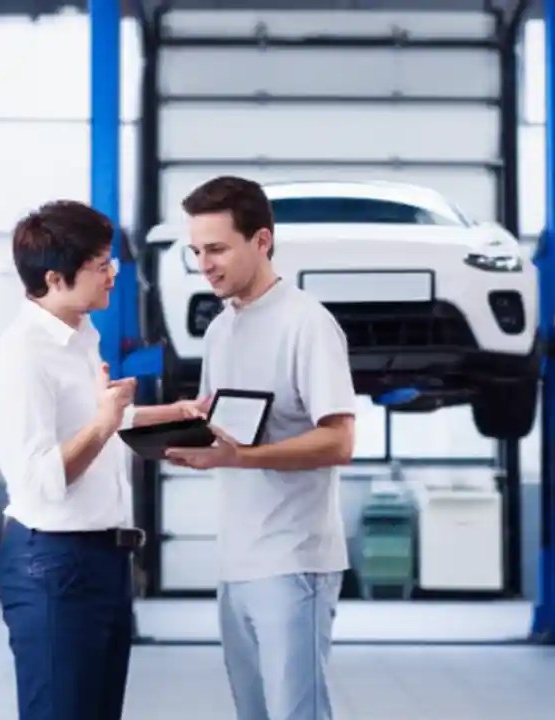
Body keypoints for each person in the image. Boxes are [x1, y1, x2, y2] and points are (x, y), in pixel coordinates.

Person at [0, 200, 205, 720]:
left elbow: (100, 427)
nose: (113, 275)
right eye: (101, 264)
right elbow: (41, 481)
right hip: (54, 564)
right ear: (56, 278)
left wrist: (175, 412)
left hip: (101, 559)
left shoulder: (79, 337)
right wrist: (105, 419)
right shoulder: (23, 357)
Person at [164, 176, 357, 720]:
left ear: (262, 241)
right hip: (237, 561)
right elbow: (232, 431)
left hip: (294, 560)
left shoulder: (308, 324)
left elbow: (339, 440)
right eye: (197, 251)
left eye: (218, 248)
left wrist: (241, 457)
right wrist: (189, 431)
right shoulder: (221, 330)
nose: (205, 264)